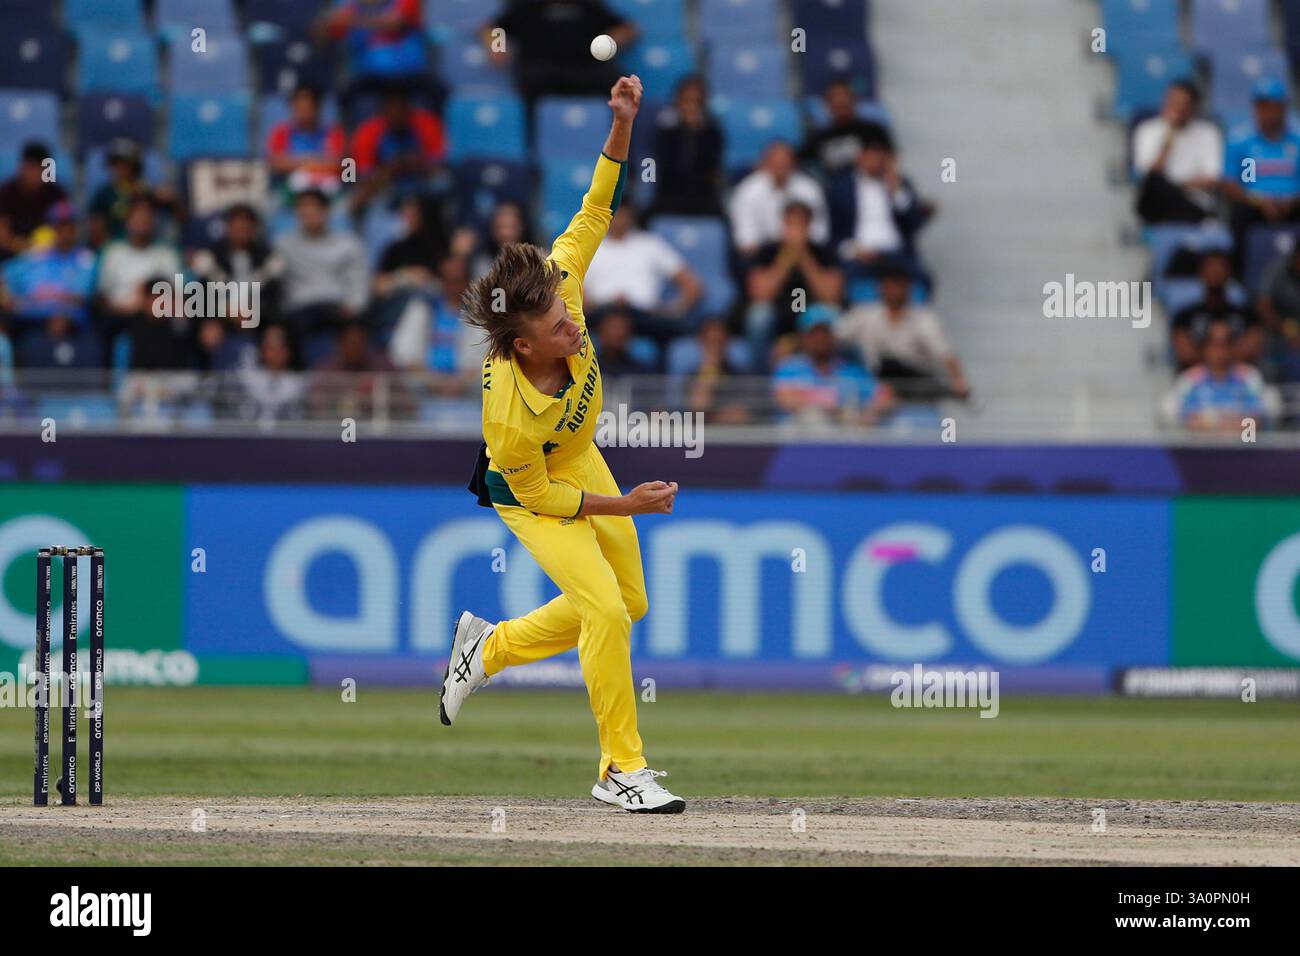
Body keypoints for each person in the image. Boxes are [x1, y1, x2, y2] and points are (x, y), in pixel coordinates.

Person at [450, 74, 687, 814]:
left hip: (578, 452)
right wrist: (629, 505)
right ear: (521, 346)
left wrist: (621, 123)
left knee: (630, 603)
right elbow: (545, 497)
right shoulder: (509, 419)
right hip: (529, 489)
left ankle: (488, 651)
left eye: (567, 310)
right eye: (557, 328)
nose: (574, 327)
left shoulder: (562, 285)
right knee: (605, 613)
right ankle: (621, 767)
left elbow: (598, 203)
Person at [836, 262, 970, 399]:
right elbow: (834, 335)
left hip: (915, 383)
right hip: (876, 383)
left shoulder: (924, 319)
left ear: (908, 287)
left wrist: (959, 381)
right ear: (881, 287)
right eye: (890, 284)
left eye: (899, 284)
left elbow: (944, 353)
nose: (894, 289)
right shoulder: (864, 315)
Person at [744, 200, 844, 365]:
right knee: (758, 317)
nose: (796, 229)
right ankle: (759, 375)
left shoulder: (824, 252)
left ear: (809, 226)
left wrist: (804, 257)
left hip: (811, 316)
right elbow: (761, 295)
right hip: (777, 315)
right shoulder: (767, 251)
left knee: (834, 316)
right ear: (783, 224)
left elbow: (831, 297)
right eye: (791, 223)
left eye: (801, 224)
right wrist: (786, 258)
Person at [582, 204, 701, 343]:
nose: (619, 220)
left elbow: (691, 284)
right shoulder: (589, 246)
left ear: (631, 216)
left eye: (623, 214)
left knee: (677, 329)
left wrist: (673, 310)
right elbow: (573, 287)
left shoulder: (650, 244)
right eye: (615, 214)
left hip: (643, 314)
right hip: (601, 312)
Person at [772, 306, 892, 427]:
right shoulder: (789, 368)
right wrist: (831, 405)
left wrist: (867, 416)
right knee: (812, 416)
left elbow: (885, 395)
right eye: (814, 334)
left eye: (825, 333)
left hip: (843, 437)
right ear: (803, 337)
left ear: (834, 337)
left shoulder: (852, 372)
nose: (820, 339)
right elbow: (783, 398)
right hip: (797, 437)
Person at [1132, 79, 1222, 223]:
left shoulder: (1208, 133)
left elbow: (1211, 177)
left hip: (1192, 201)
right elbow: (1148, 173)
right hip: (1157, 202)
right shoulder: (1147, 130)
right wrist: (1170, 135)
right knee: (1154, 182)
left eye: (1184, 104)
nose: (1179, 108)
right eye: (1174, 102)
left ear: (1194, 106)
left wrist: (1176, 188)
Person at [1222, 78, 1300, 242]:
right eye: (1263, 106)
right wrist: (1259, 201)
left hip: (1294, 203)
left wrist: (1292, 200)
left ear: (1284, 107)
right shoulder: (1242, 140)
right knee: (1239, 215)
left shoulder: (1297, 139)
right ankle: (1238, 267)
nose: (1268, 112)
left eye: (1273, 106)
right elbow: (1232, 183)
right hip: (1255, 204)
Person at [729, 141, 829, 259]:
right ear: (765, 163)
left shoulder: (810, 189)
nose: (781, 166)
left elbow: (820, 233)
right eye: (776, 162)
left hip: (805, 251)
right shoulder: (748, 191)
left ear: (794, 163)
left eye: (785, 162)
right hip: (763, 254)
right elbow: (745, 240)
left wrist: (795, 245)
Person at [645, 75, 725, 218]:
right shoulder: (665, 133)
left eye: (696, 102)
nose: (691, 107)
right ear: (678, 103)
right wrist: (685, 133)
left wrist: (695, 134)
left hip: (702, 196)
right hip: (669, 194)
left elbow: (711, 169)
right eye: (686, 101)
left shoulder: (713, 134)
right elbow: (660, 167)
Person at [1170, 319, 1267, 431]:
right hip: (1201, 446)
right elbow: (1188, 423)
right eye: (1214, 344)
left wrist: (1214, 425)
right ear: (1205, 347)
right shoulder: (1189, 380)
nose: (1219, 351)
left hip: (1242, 446)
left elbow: (1255, 421)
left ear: (1232, 347)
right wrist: (1227, 425)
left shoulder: (1249, 377)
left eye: (1224, 344)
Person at [1169, 250, 1260, 369]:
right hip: (1195, 383)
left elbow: (1250, 350)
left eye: (1221, 267)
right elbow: (1185, 354)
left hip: (1238, 383)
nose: (1216, 272)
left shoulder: (1247, 315)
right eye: (1211, 267)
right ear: (1200, 273)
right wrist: (1223, 354)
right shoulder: (1184, 316)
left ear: (1229, 273)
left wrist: (1211, 355)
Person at [799, 77, 892, 178]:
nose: (841, 100)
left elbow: (891, 160)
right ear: (827, 104)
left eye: (845, 95)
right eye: (835, 97)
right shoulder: (818, 139)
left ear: (854, 99)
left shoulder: (874, 131)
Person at [266, 84, 347, 196]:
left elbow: (339, 164)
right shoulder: (281, 133)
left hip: (327, 188)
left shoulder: (333, 133)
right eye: (298, 107)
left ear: (317, 107)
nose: (302, 112)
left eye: (308, 107)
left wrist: (297, 163)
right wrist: (317, 162)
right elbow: (277, 163)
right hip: (291, 188)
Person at [0, 142, 68, 261]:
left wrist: (46, 245)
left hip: (50, 257)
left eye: (38, 168)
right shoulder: (7, 192)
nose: (33, 173)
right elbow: (2, 234)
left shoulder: (57, 194)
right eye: (30, 167)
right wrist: (24, 246)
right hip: (11, 257)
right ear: (22, 167)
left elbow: (66, 231)